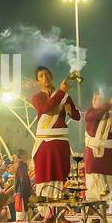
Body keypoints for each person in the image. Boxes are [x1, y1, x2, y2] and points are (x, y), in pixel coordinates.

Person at [30, 66, 81, 214]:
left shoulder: (64, 96)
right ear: (38, 81)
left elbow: (77, 116)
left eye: (47, 74)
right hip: (44, 143)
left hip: (61, 142)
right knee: (45, 176)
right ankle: (46, 213)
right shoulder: (37, 97)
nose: (45, 78)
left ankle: (59, 213)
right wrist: (61, 92)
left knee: (61, 176)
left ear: (51, 76)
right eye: (41, 76)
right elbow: (45, 109)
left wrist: (70, 111)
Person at [83, 92, 112, 201]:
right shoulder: (90, 112)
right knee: (93, 181)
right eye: (95, 98)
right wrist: (109, 104)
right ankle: (93, 205)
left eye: (99, 99)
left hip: (109, 155)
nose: (96, 101)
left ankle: (110, 205)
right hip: (93, 153)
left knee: (111, 181)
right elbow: (97, 115)